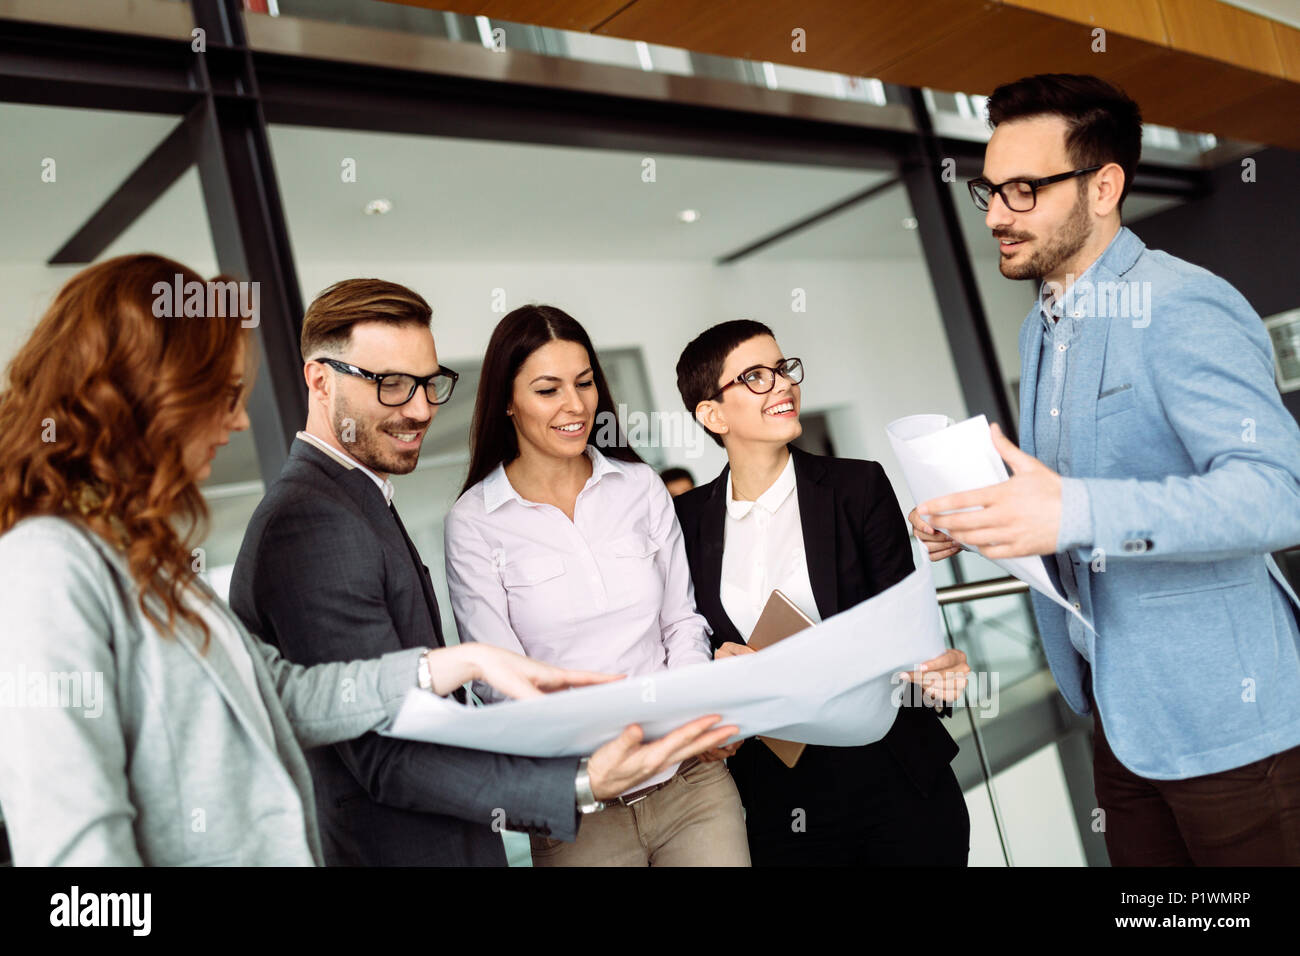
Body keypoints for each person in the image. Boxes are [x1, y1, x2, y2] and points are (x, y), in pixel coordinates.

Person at [0, 254, 621, 866]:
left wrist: (455, 662)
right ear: (138, 396)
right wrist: (578, 783)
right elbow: (74, 857)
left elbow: (284, 692)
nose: (240, 420)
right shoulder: (47, 564)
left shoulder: (141, 555)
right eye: (221, 394)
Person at [909, 73, 1300, 866]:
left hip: (1232, 725)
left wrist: (1072, 511)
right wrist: (986, 523)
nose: (994, 214)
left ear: (1104, 186)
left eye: (1023, 190)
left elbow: (1277, 494)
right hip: (1115, 713)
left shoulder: (1181, 303)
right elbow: (1068, 507)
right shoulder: (1040, 329)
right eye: (990, 189)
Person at [228, 281, 733, 866]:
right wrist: (579, 783)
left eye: (426, 383)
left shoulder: (359, 499)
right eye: (390, 384)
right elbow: (383, 754)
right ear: (320, 380)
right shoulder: (312, 521)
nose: (419, 408)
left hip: (671, 786)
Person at [444, 305, 751, 867]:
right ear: (507, 401)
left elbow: (681, 622)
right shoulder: (474, 521)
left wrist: (686, 720)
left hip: (690, 785)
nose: (575, 405)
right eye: (547, 389)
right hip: (582, 812)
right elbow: (498, 680)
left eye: (584, 383)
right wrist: (597, 764)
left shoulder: (639, 487)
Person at [673, 319, 972, 866]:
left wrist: (932, 669)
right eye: (756, 377)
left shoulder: (858, 486)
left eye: (783, 369)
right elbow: (685, 636)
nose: (783, 384)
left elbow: (902, 623)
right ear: (712, 414)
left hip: (893, 772)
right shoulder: (685, 521)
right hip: (777, 790)